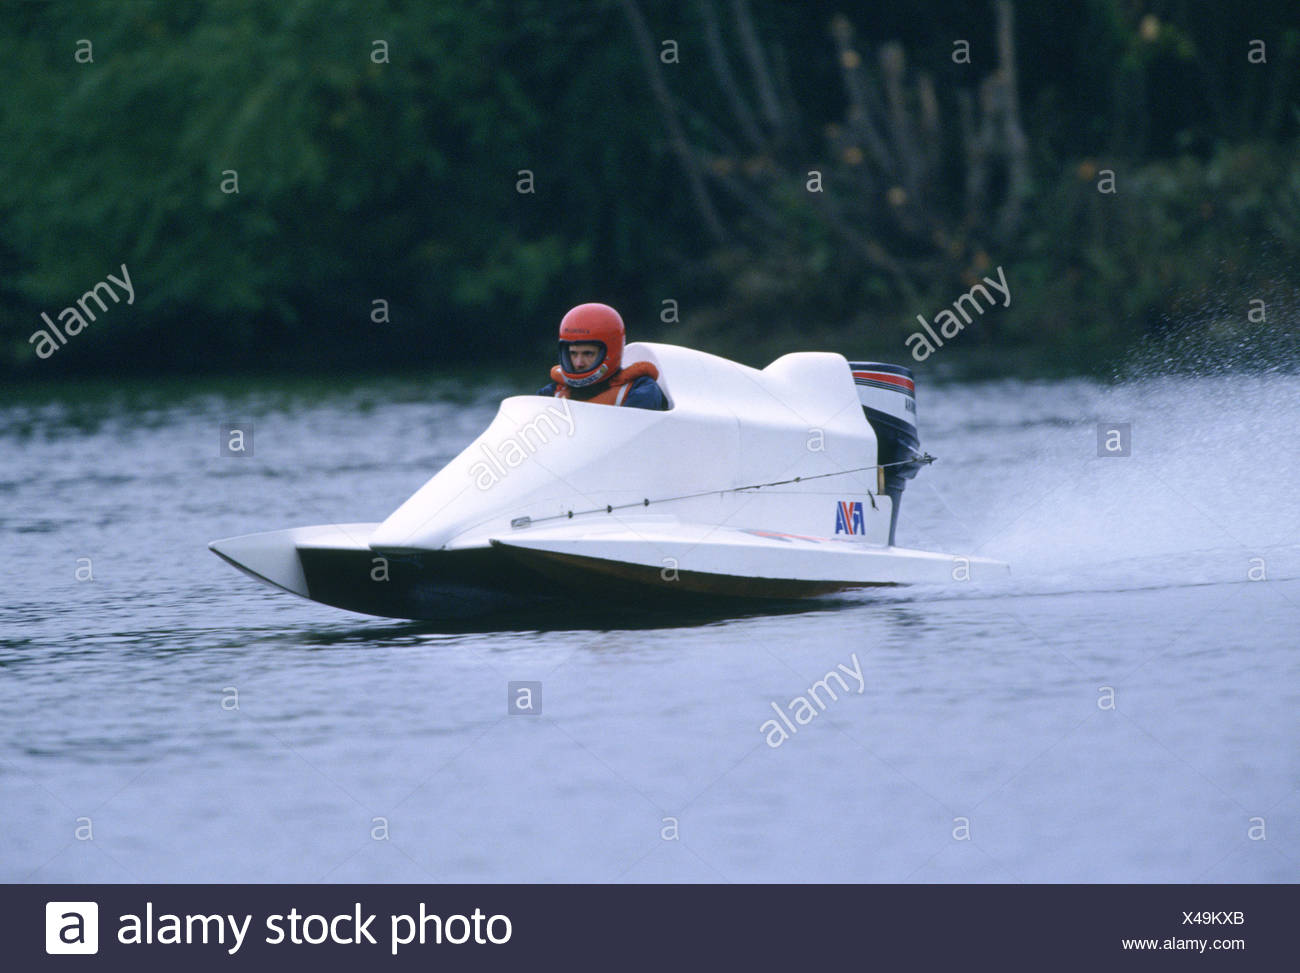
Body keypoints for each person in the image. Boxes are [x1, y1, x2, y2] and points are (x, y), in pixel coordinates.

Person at [537, 303, 668, 409]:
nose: (578, 363)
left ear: (610, 352)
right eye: (573, 353)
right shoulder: (553, 392)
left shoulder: (641, 391)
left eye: (588, 353)